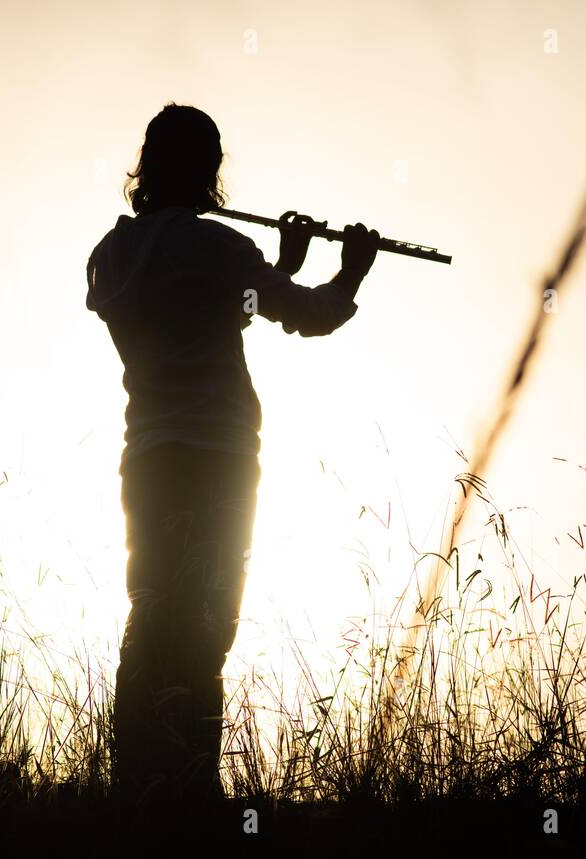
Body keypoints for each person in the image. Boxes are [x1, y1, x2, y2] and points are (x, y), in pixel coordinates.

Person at [84, 103, 378, 804]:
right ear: (211, 172)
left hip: (149, 460)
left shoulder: (111, 257)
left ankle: (138, 786)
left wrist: (277, 264)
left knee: (152, 614)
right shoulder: (218, 248)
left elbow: (203, 305)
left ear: (146, 168)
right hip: (217, 460)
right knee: (206, 624)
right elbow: (308, 315)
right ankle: (192, 792)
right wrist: (351, 271)